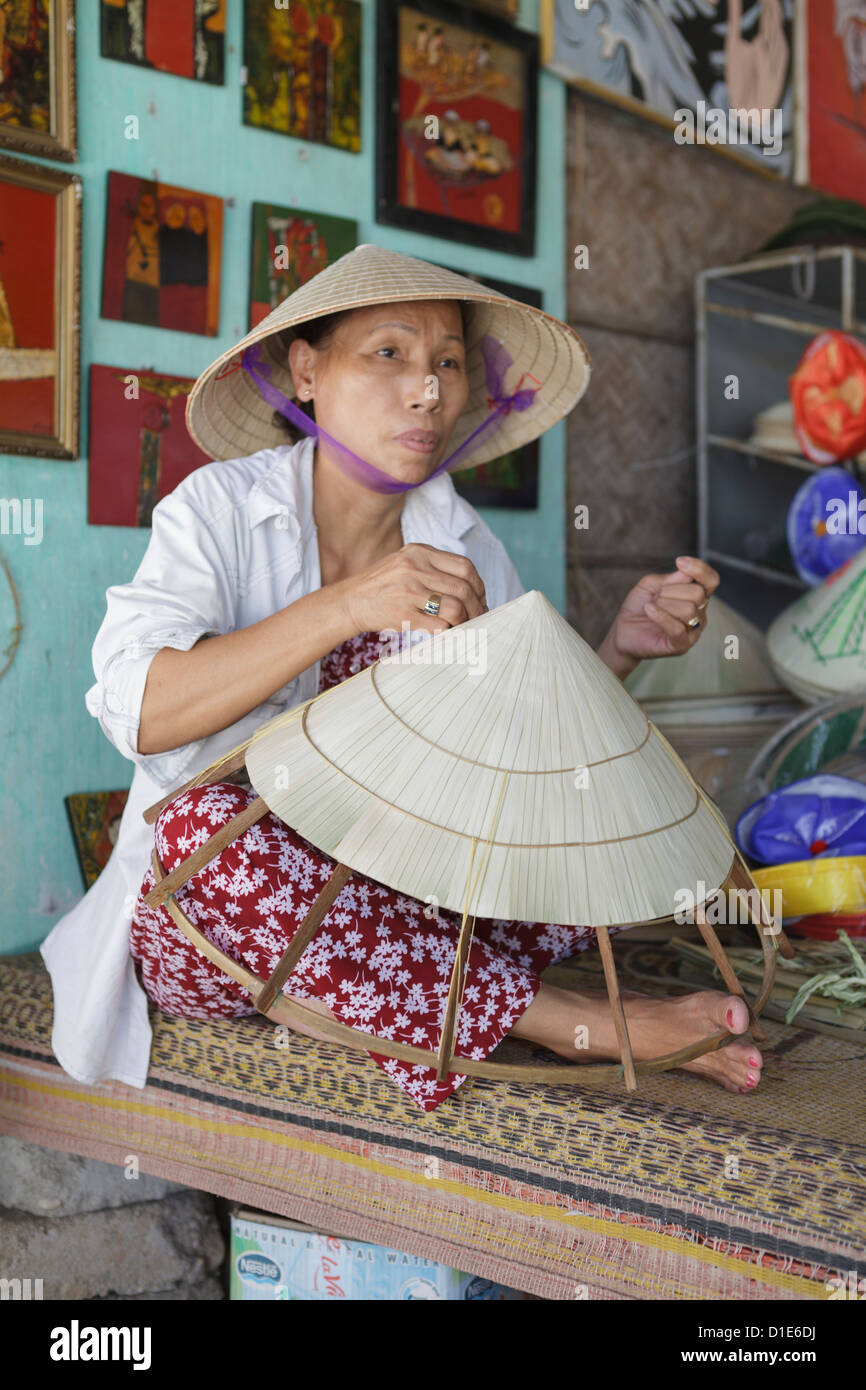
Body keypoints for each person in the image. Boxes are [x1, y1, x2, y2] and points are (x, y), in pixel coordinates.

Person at [41, 243, 762, 1111]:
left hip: (400, 891)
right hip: (225, 914)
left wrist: (618, 650)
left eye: (448, 362)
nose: (427, 390)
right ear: (306, 370)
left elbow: (521, 757)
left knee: (563, 845)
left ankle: (377, 997)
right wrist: (348, 605)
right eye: (389, 353)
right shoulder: (219, 511)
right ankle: (581, 1020)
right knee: (203, 830)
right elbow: (142, 712)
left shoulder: (463, 543)